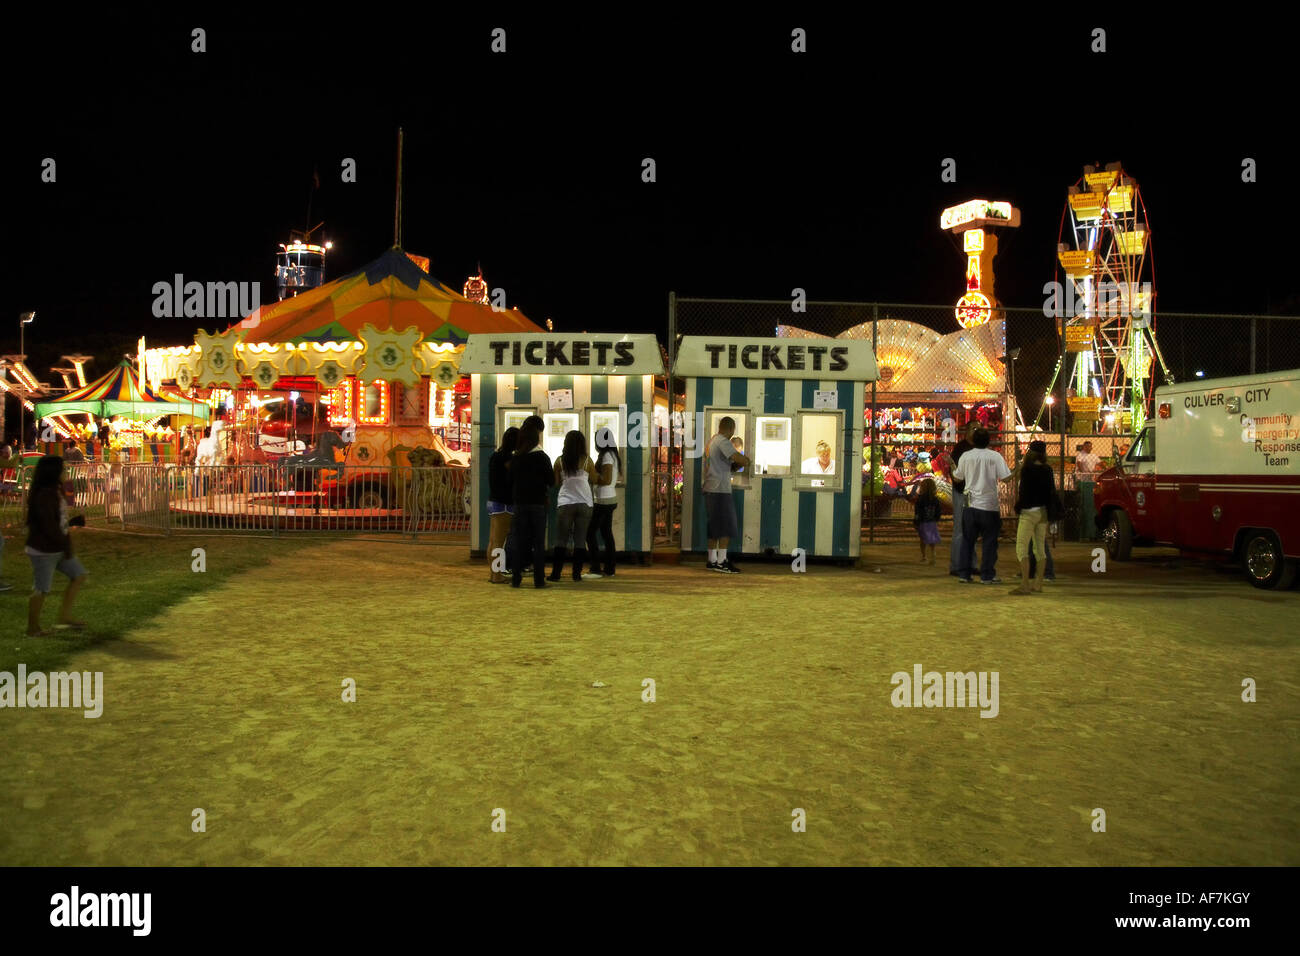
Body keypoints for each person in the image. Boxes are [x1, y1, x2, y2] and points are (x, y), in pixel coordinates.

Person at [25, 456, 88, 635]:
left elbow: (57, 521)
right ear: (53, 472)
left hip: (58, 546)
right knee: (41, 589)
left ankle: (64, 618)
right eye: (63, 470)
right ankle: (33, 628)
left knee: (79, 575)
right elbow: (47, 526)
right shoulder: (44, 495)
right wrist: (64, 542)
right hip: (43, 549)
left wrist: (71, 524)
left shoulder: (54, 491)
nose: (66, 473)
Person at [952, 427, 1013, 584]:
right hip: (988, 505)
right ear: (988, 441)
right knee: (989, 542)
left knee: (968, 541)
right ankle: (987, 574)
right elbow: (1006, 478)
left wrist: (952, 465)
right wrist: (1018, 468)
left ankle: (964, 574)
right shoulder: (995, 456)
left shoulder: (966, 456)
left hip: (970, 504)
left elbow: (957, 478)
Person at [701, 416, 750, 573]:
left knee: (714, 527)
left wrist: (732, 467)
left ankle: (712, 560)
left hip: (710, 488)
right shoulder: (723, 441)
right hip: (720, 489)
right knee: (726, 527)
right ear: (731, 429)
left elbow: (724, 464)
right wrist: (746, 460)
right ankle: (722, 562)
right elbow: (737, 458)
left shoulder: (711, 441)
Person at [509, 422, 554, 588]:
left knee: (519, 541)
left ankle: (516, 578)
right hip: (538, 504)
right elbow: (551, 480)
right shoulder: (542, 457)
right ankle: (539, 580)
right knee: (538, 543)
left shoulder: (517, 457)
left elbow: (510, 480)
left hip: (520, 504)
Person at [550, 430, 595, 582]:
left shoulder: (559, 461)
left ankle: (556, 574)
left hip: (565, 503)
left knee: (561, 539)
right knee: (580, 540)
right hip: (585, 503)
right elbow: (595, 478)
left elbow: (555, 483)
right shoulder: (587, 461)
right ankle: (576, 574)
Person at [1011, 441, 1055, 595]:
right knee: (1039, 549)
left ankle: (1025, 584)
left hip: (1029, 512)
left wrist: (1018, 507)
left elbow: (1023, 493)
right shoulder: (1048, 470)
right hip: (1042, 511)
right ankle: (1039, 583)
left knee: (1021, 548)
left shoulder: (1027, 470)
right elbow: (1051, 492)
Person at [586, 427, 621, 578]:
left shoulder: (606, 456)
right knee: (606, 533)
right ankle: (609, 568)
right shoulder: (612, 454)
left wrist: (593, 476)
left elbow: (605, 480)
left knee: (590, 533)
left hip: (603, 500)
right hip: (609, 498)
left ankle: (595, 566)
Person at [486, 426, 519, 584]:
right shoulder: (508, 458)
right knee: (500, 541)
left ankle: (493, 573)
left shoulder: (495, 455)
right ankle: (497, 575)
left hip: (493, 501)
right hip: (504, 503)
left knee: (493, 540)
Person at [947, 424, 976, 576]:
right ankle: (956, 566)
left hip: (975, 492)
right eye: (974, 429)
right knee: (959, 529)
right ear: (967, 431)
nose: (977, 432)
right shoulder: (960, 448)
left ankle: (971, 564)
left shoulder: (979, 448)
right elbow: (954, 472)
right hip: (961, 491)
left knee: (972, 530)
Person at [913, 477, 941, 565]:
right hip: (932, 521)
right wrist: (937, 518)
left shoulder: (920, 499)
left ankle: (924, 556)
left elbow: (917, 511)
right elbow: (938, 511)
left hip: (923, 521)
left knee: (923, 539)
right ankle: (932, 554)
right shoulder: (935, 499)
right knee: (931, 540)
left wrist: (916, 521)